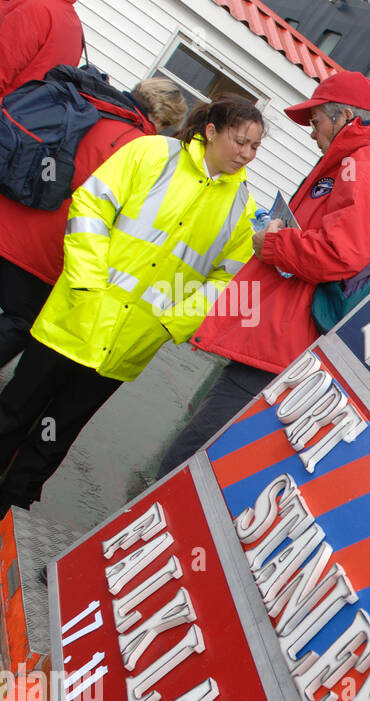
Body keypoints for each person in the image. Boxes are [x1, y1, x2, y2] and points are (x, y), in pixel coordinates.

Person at [0, 97, 262, 515]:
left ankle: (13, 503)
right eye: (241, 141)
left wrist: (171, 320)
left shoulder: (241, 207)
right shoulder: (152, 154)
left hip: (128, 341)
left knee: (58, 430)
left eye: (254, 147)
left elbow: (229, 279)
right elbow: (91, 206)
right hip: (76, 317)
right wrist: (87, 281)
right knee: (15, 409)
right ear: (211, 132)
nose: (247, 154)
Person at [156, 70, 370, 477]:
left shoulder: (364, 164)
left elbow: (339, 251)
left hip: (288, 341)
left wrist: (273, 244)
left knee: (190, 457)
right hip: (302, 341)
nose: (313, 134)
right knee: (225, 460)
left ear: (344, 116)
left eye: (316, 122)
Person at [0, 76, 186, 366]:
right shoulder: (139, 149)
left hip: (8, 215)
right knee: (21, 321)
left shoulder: (90, 108)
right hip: (40, 251)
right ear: (160, 119)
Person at [0, 0, 82, 98]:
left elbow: (3, 67)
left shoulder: (35, 9)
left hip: (8, 103)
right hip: (26, 108)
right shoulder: (74, 25)